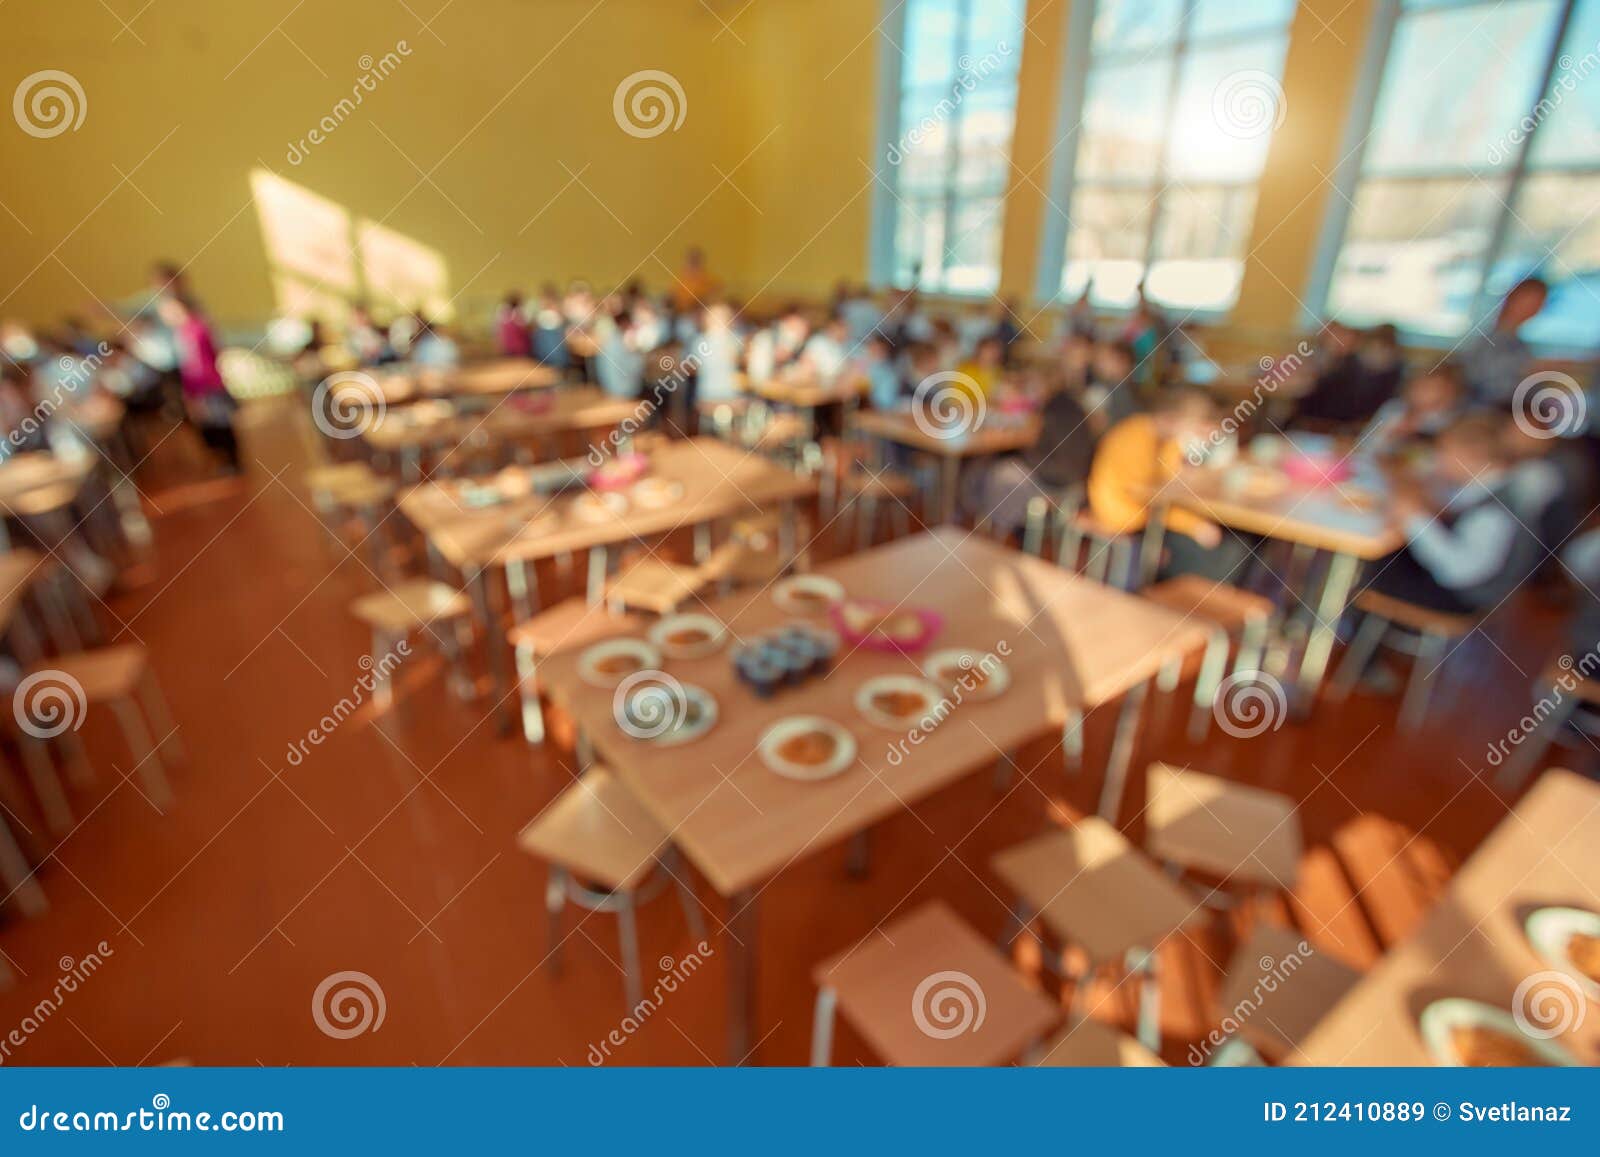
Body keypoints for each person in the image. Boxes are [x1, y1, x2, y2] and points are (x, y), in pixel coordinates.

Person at [1360, 413, 1541, 615]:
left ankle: (1350, 632)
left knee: (1363, 570)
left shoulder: (1494, 512)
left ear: (1471, 456)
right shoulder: (1491, 485)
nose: (1437, 461)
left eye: (1443, 453)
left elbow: (1456, 571)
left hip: (1459, 597)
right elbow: (1450, 506)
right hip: (1461, 585)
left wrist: (1414, 518)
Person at [1087, 389, 1252, 582]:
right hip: (1122, 512)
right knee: (1226, 551)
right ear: (1172, 419)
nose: (1197, 432)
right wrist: (1192, 524)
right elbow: (1142, 495)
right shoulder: (1133, 436)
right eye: (1193, 426)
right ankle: (1163, 595)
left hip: (1150, 514)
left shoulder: (1165, 439)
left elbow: (1172, 479)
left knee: (1234, 542)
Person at [962, 368, 1096, 536]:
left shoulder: (1050, 409)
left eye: (1034, 386)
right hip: (1078, 477)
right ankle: (1002, 524)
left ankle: (999, 530)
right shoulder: (1071, 405)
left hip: (1056, 478)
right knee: (1000, 464)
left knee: (1000, 472)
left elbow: (1032, 443)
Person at [157, 293, 239, 474]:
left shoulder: (196, 329)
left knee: (220, 425)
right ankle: (225, 461)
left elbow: (201, 363)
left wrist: (199, 391)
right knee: (210, 427)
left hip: (207, 386)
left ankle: (232, 462)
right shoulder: (182, 332)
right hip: (198, 387)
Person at [1459, 277, 1549, 404]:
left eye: (1540, 302)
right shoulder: (1482, 335)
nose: (1535, 307)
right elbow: (1491, 387)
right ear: (1511, 296)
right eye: (1530, 300)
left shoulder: (1519, 344)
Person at [1357, 363, 1466, 459]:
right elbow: (1365, 444)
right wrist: (1390, 436)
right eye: (1423, 387)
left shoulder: (1450, 424)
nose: (1428, 395)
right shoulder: (1393, 409)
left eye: (1438, 390)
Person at [1081, 340, 1141, 435]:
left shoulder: (1137, 391)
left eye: (1104, 359)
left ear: (1124, 361)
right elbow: (1097, 425)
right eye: (1098, 360)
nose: (1098, 365)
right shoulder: (1097, 391)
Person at [671, 247, 715, 313]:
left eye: (696, 261)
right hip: (683, 314)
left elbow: (712, 300)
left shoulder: (709, 281)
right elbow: (674, 299)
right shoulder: (678, 281)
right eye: (691, 261)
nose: (694, 264)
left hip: (703, 314)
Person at [495, 293, 532, 358]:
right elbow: (524, 330)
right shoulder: (517, 314)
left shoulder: (503, 314)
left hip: (510, 346)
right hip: (518, 347)